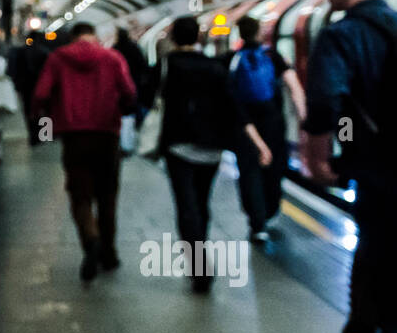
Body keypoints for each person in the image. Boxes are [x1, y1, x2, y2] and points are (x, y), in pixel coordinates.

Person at [301, 0, 397, 333]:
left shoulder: (343, 35)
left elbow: (326, 103)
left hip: (383, 180)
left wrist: (322, 156)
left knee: (388, 282)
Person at [158, 15, 272, 293]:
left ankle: (199, 268)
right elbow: (235, 108)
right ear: (199, 37)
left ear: (173, 38)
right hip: (211, 148)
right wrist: (259, 142)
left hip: (178, 146)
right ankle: (201, 254)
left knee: (186, 207)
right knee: (201, 203)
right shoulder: (215, 67)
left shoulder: (165, 66)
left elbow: (143, 97)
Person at [32, 22, 137, 281]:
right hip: (107, 134)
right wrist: (121, 112)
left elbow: (41, 95)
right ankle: (109, 255)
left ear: (72, 37)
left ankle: (91, 240)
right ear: (95, 35)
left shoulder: (57, 59)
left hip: (73, 137)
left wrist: (46, 129)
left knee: (80, 195)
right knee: (108, 195)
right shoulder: (112, 57)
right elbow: (129, 93)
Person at [228, 15, 307, 244]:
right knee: (273, 171)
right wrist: (304, 120)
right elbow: (294, 88)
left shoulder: (232, 59)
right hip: (273, 125)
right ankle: (269, 211)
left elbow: (227, 97)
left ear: (240, 34)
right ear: (259, 32)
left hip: (244, 128)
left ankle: (257, 222)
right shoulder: (273, 57)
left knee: (249, 173)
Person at [8, 36, 51, 146]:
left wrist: (17, 85)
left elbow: (13, 70)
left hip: (25, 87)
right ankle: (45, 135)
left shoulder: (19, 52)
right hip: (42, 86)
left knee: (28, 111)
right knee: (44, 111)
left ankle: (33, 135)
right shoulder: (45, 52)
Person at [114, 27, 151, 129]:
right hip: (135, 80)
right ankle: (137, 124)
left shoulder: (115, 48)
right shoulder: (134, 47)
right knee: (135, 103)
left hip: (119, 83)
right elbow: (143, 64)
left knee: (121, 106)